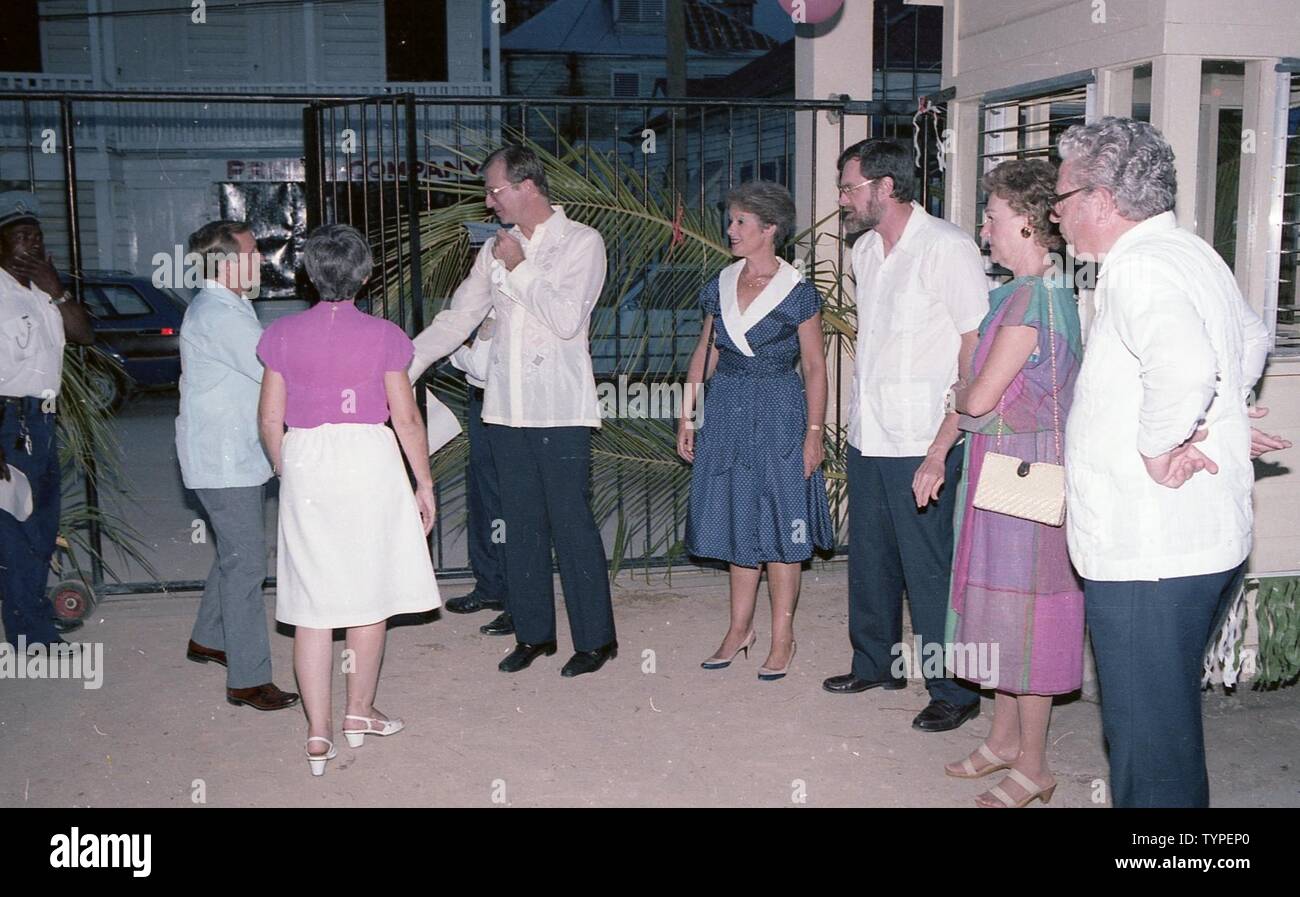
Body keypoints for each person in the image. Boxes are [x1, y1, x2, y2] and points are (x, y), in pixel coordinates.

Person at [1054, 117, 1274, 807]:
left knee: (1148, 747)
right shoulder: (1188, 252)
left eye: (1061, 198)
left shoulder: (1140, 268)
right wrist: (1217, 417)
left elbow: (1181, 365)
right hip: (1192, 544)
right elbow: (1248, 338)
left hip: (1150, 549)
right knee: (1164, 727)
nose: (1055, 214)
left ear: (1101, 200)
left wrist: (1159, 450)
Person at [408, 145, 617, 678]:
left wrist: (521, 269)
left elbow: (568, 319)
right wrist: (404, 367)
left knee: (570, 523)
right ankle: (534, 634)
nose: (488, 200)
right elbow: (459, 317)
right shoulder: (496, 248)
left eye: (495, 190)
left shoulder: (581, 242)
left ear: (528, 186)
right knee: (519, 523)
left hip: (560, 410)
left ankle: (596, 640)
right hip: (504, 409)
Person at [916, 160, 1084, 807]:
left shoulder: (1034, 298)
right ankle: (1004, 738)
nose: (983, 229)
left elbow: (978, 393)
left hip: (1026, 472)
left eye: (990, 217)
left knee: (1027, 616)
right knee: (997, 605)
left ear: (1024, 220)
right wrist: (945, 437)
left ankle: (1035, 763)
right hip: (1005, 465)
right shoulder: (1016, 295)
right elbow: (973, 397)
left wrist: (961, 396)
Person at [257, 223, 439, 776]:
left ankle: (318, 734)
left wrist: (289, 467)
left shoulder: (281, 335)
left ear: (309, 275)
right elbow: (405, 417)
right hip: (369, 461)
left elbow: (268, 418)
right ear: (366, 274)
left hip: (309, 459)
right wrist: (423, 481)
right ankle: (360, 712)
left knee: (312, 607)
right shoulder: (385, 336)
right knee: (367, 597)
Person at [824, 139, 988, 732]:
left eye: (849, 188)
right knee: (870, 559)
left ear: (885, 187)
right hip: (871, 433)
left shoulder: (948, 247)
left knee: (931, 569)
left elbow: (975, 347)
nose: (842, 199)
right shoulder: (865, 250)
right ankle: (875, 662)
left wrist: (946, 442)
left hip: (924, 438)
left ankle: (955, 689)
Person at [678, 181, 833, 681]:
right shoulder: (720, 283)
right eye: (732, 220)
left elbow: (814, 366)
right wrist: (688, 412)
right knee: (737, 517)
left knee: (783, 524)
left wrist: (814, 433)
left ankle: (783, 636)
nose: (731, 229)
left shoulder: (797, 291)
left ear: (770, 229)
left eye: (742, 221)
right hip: (726, 410)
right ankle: (738, 628)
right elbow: (707, 350)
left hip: (780, 409)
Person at [175, 220, 299, 711]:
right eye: (252, 252)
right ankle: (248, 679)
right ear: (226, 262)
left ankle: (209, 638)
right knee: (247, 564)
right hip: (223, 460)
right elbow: (276, 371)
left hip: (228, 455)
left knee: (234, 553)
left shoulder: (226, 305)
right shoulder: (220, 315)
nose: (261, 261)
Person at [0, 191, 94, 650]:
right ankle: (27, 634)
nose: (31, 246)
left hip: (41, 422)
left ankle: (33, 622)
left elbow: (84, 334)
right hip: (8, 424)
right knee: (16, 533)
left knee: (40, 527)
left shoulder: (41, 291)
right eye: (20, 238)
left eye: (36, 237)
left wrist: (57, 290)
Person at [442, 311, 512, 637]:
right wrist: (466, 345)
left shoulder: (507, 304)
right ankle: (490, 586)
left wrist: (461, 343)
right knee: (482, 501)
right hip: (479, 402)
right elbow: (465, 361)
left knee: (503, 508)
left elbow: (479, 365)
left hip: (504, 407)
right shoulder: (481, 303)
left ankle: (515, 599)